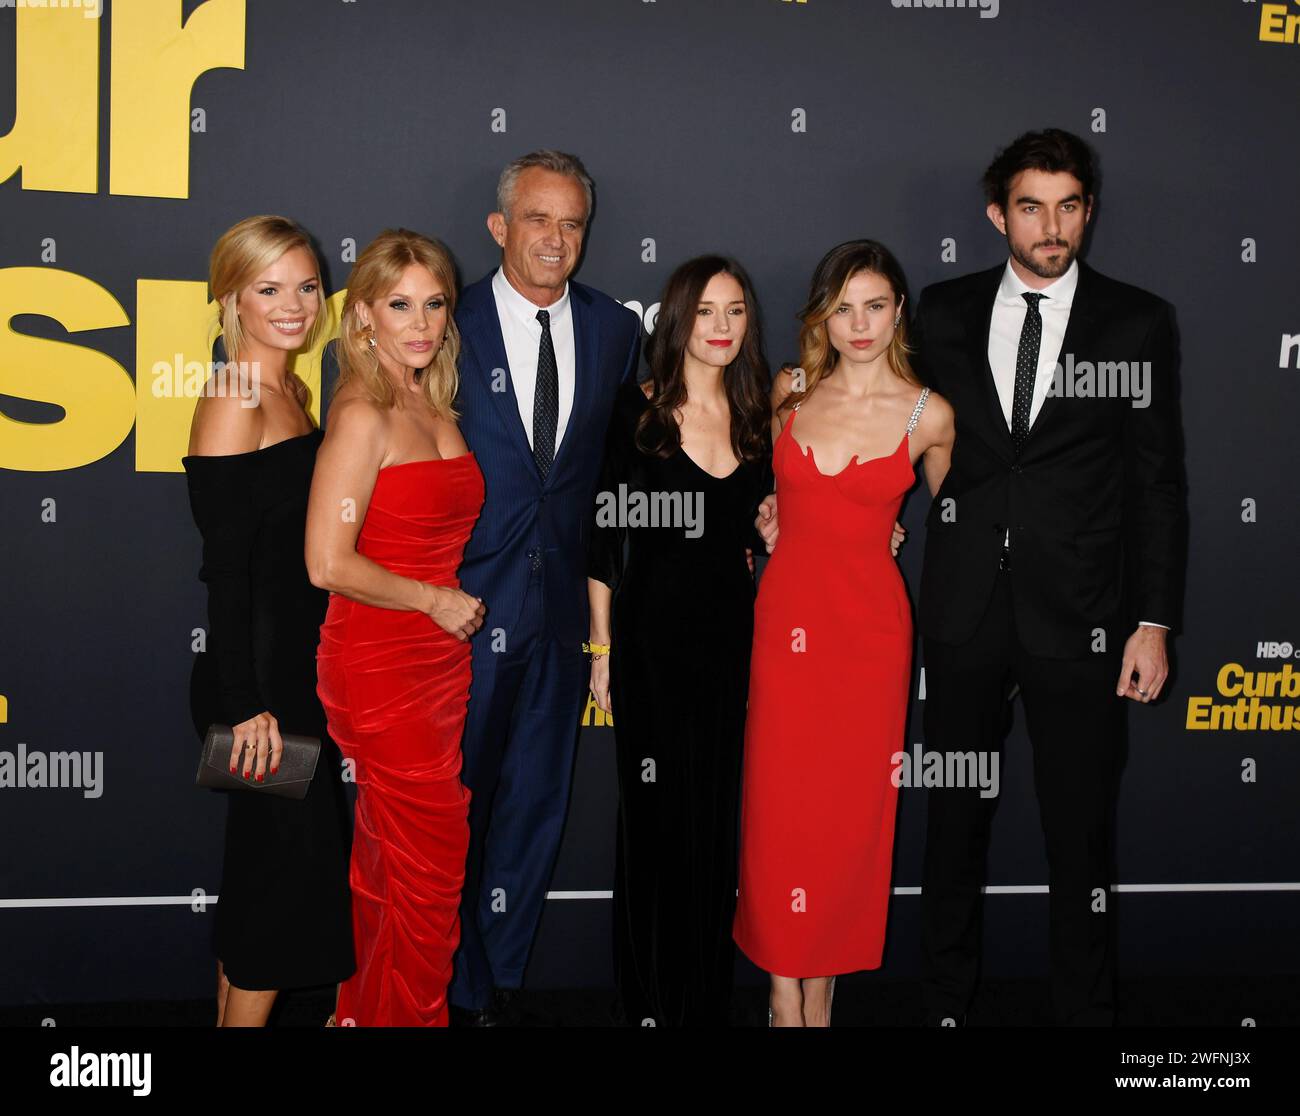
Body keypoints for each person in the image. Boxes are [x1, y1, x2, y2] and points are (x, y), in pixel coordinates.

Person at [910, 128, 1187, 1026]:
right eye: (1032, 206)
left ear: (1088, 212)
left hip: (1086, 620)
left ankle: (1086, 1016)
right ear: (999, 215)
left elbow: (1156, 482)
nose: (1052, 225)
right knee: (952, 828)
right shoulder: (943, 312)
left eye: (1069, 205)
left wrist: (1153, 621)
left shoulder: (1136, 321)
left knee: (1081, 838)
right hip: (963, 612)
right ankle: (946, 1002)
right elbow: (888, 427)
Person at [445, 150, 644, 1026]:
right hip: (460, 612)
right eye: (537, 219)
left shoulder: (612, 330)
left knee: (534, 810)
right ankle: (456, 984)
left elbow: (639, 463)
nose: (555, 240)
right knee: (454, 809)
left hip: (563, 616)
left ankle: (501, 986)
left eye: (571, 223)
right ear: (499, 227)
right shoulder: (446, 324)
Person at [733, 239, 954, 1027]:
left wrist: (881, 532)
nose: (859, 324)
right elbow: (756, 501)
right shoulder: (789, 392)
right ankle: (783, 987)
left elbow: (955, 530)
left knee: (847, 819)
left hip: (869, 640)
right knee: (780, 809)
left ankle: (817, 990)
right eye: (843, 306)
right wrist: (772, 519)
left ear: (899, 311)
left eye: (876, 304)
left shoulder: (931, 416)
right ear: (824, 312)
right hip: (786, 623)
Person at [587, 256, 774, 1027]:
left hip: (735, 641)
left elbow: (776, 526)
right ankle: (648, 1004)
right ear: (676, 320)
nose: (722, 327)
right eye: (705, 312)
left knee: (716, 827)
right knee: (655, 828)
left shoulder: (762, 416)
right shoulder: (637, 413)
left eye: (735, 311)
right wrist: (599, 654)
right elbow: (602, 539)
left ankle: (700, 1002)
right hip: (651, 646)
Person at [306, 229, 486, 1027]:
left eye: (435, 304)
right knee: (431, 868)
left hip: (436, 668)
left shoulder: (428, 398)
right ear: (365, 316)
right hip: (380, 666)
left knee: (390, 864)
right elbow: (326, 562)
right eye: (400, 304)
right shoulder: (361, 412)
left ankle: (364, 1017)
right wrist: (433, 601)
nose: (420, 323)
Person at [182, 215, 354, 1028]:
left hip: (291, 676)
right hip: (256, 691)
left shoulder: (293, 387)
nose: (295, 305)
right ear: (232, 299)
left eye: (308, 285)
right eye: (270, 288)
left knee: (260, 883)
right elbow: (224, 570)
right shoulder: (233, 394)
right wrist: (245, 704)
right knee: (285, 891)